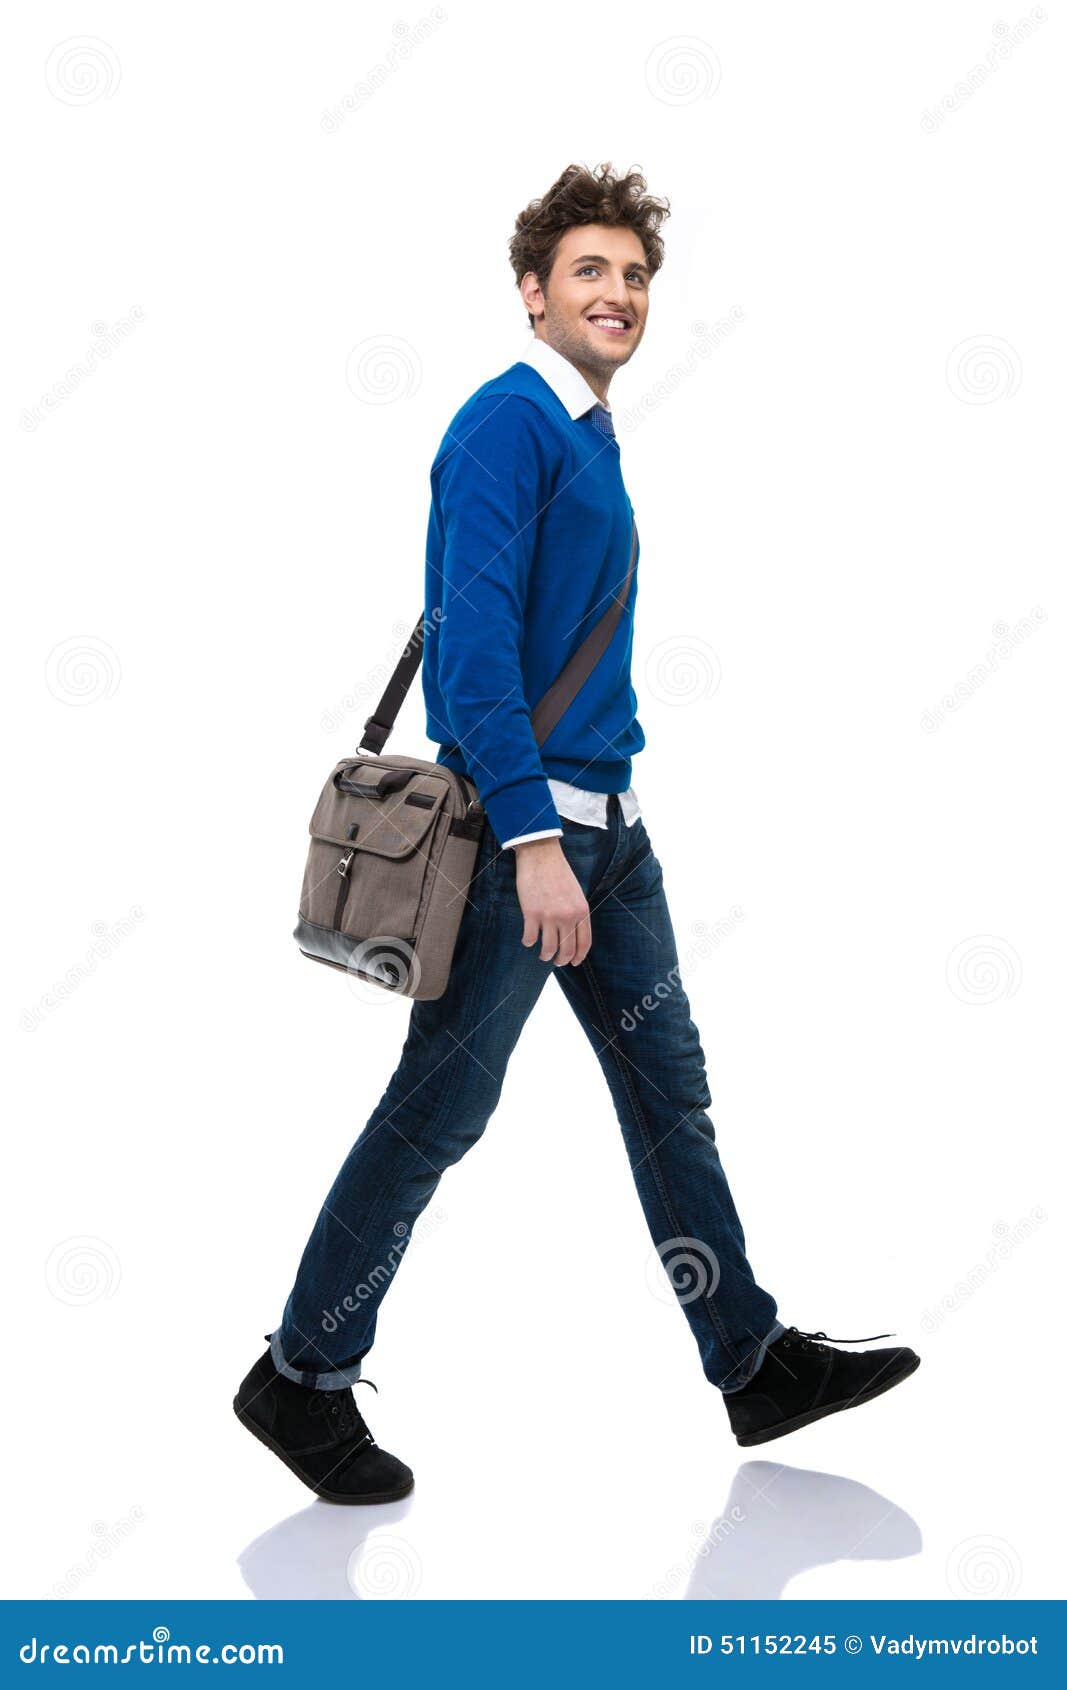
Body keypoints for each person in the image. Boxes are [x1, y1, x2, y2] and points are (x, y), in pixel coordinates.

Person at [234, 163, 919, 1504]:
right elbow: (474, 659)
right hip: (523, 843)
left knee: (673, 1099)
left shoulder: (585, 431)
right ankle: (301, 1376)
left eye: (638, 274)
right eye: (591, 271)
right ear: (533, 291)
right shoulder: (508, 425)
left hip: (616, 837)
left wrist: (595, 829)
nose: (620, 294)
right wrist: (538, 839)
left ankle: (751, 1358)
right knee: (438, 1110)